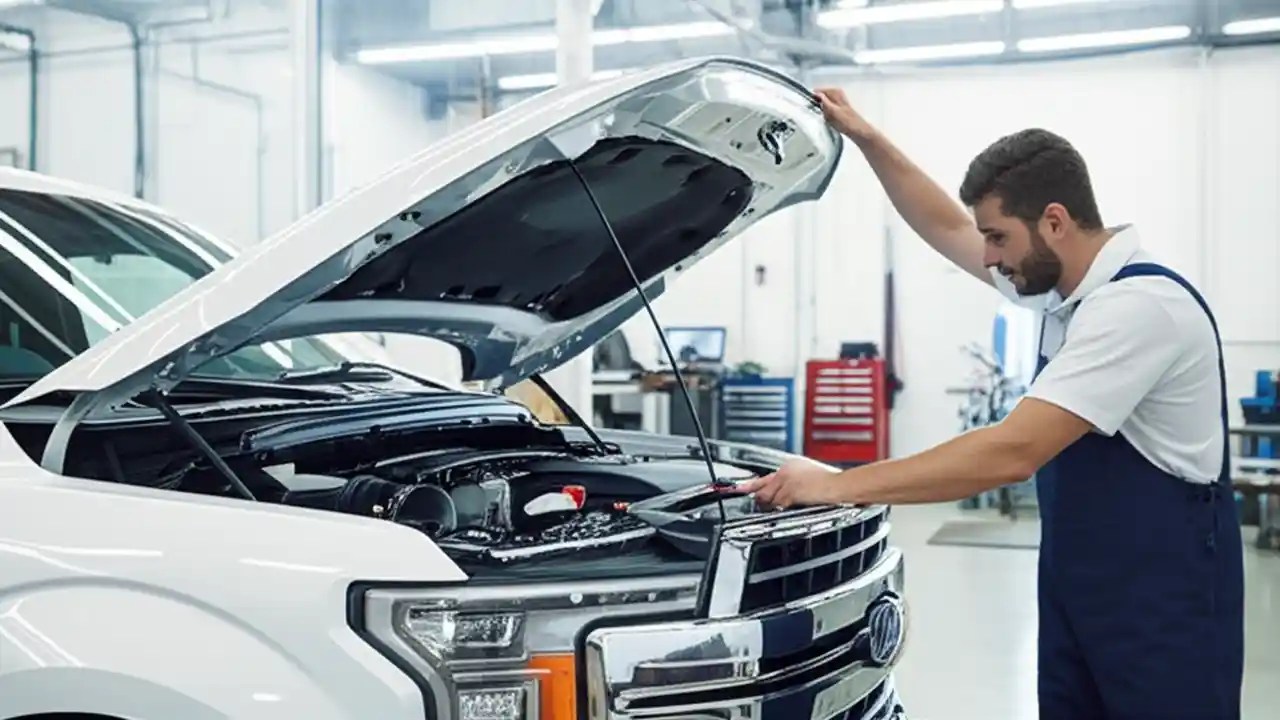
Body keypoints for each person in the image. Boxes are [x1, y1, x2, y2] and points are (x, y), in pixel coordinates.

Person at [738, 88, 1245, 719]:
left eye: (998, 238)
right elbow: (947, 225)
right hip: (1079, 595)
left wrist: (838, 485)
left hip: (1165, 604)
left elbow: (1012, 452)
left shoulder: (1139, 307)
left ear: (1054, 221)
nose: (986, 257)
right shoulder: (1063, 292)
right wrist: (868, 137)